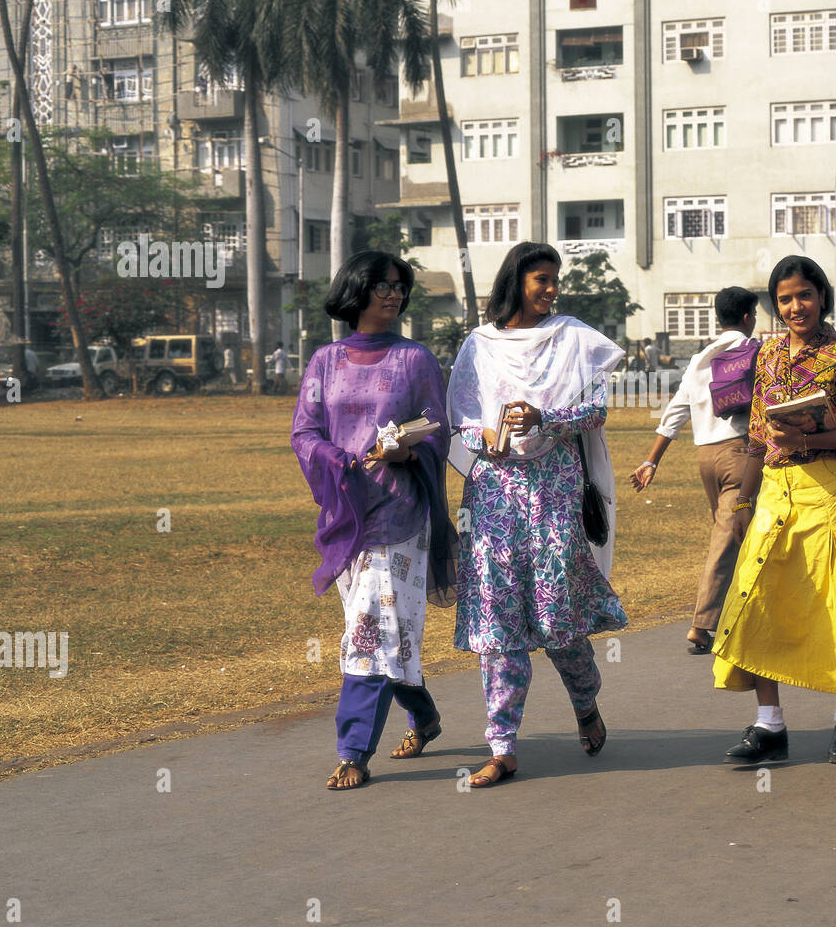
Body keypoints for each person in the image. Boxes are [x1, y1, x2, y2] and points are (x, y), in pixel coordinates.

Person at [447, 242, 627, 787]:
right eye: (541, 280)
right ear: (515, 282)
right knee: (499, 621)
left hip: (554, 490)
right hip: (494, 494)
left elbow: (597, 410)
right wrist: (484, 435)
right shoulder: (478, 345)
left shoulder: (573, 337)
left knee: (557, 616)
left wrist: (544, 417)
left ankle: (586, 700)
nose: (551, 289)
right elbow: (461, 415)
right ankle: (502, 747)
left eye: (555, 279)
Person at [291, 251, 457, 790]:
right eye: (381, 285)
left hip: (401, 514)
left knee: (371, 629)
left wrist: (404, 452)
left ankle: (353, 750)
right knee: (387, 632)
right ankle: (425, 714)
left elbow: (437, 428)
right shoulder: (324, 361)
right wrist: (333, 458)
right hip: (347, 515)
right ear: (356, 292)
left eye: (398, 286)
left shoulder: (415, 360)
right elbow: (304, 432)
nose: (392, 294)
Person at [713, 256, 836, 763]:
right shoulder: (765, 355)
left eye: (805, 295)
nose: (796, 307)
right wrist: (743, 499)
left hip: (832, 490)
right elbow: (754, 435)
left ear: (822, 297)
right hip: (774, 489)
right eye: (786, 298)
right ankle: (770, 725)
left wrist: (806, 434)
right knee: (758, 595)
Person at [630, 287, 759, 655]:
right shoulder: (755, 353)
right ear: (749, 316)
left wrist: (651, 460)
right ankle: (702, 625)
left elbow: (675, 411)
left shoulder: (701, 359)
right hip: (740, 456)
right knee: (728, 538)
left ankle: (741, 613)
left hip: (706, 459)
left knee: (738, 535)